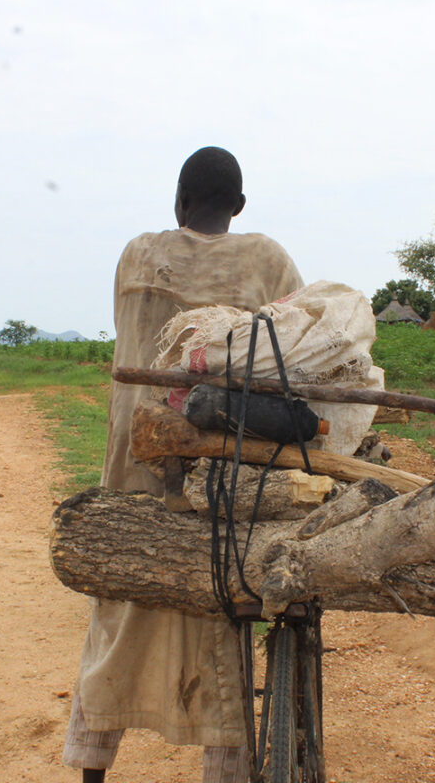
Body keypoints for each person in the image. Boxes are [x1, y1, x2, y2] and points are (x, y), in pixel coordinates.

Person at [62, 147, 303, 783]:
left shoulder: (139, 255)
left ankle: (92, 769)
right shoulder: (267, 259)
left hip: (133, 473)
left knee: (117, 616)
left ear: (180, 199)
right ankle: (225, 768)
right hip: (222, 480)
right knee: (222, 623)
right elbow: (297, 352)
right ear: (240, 206)